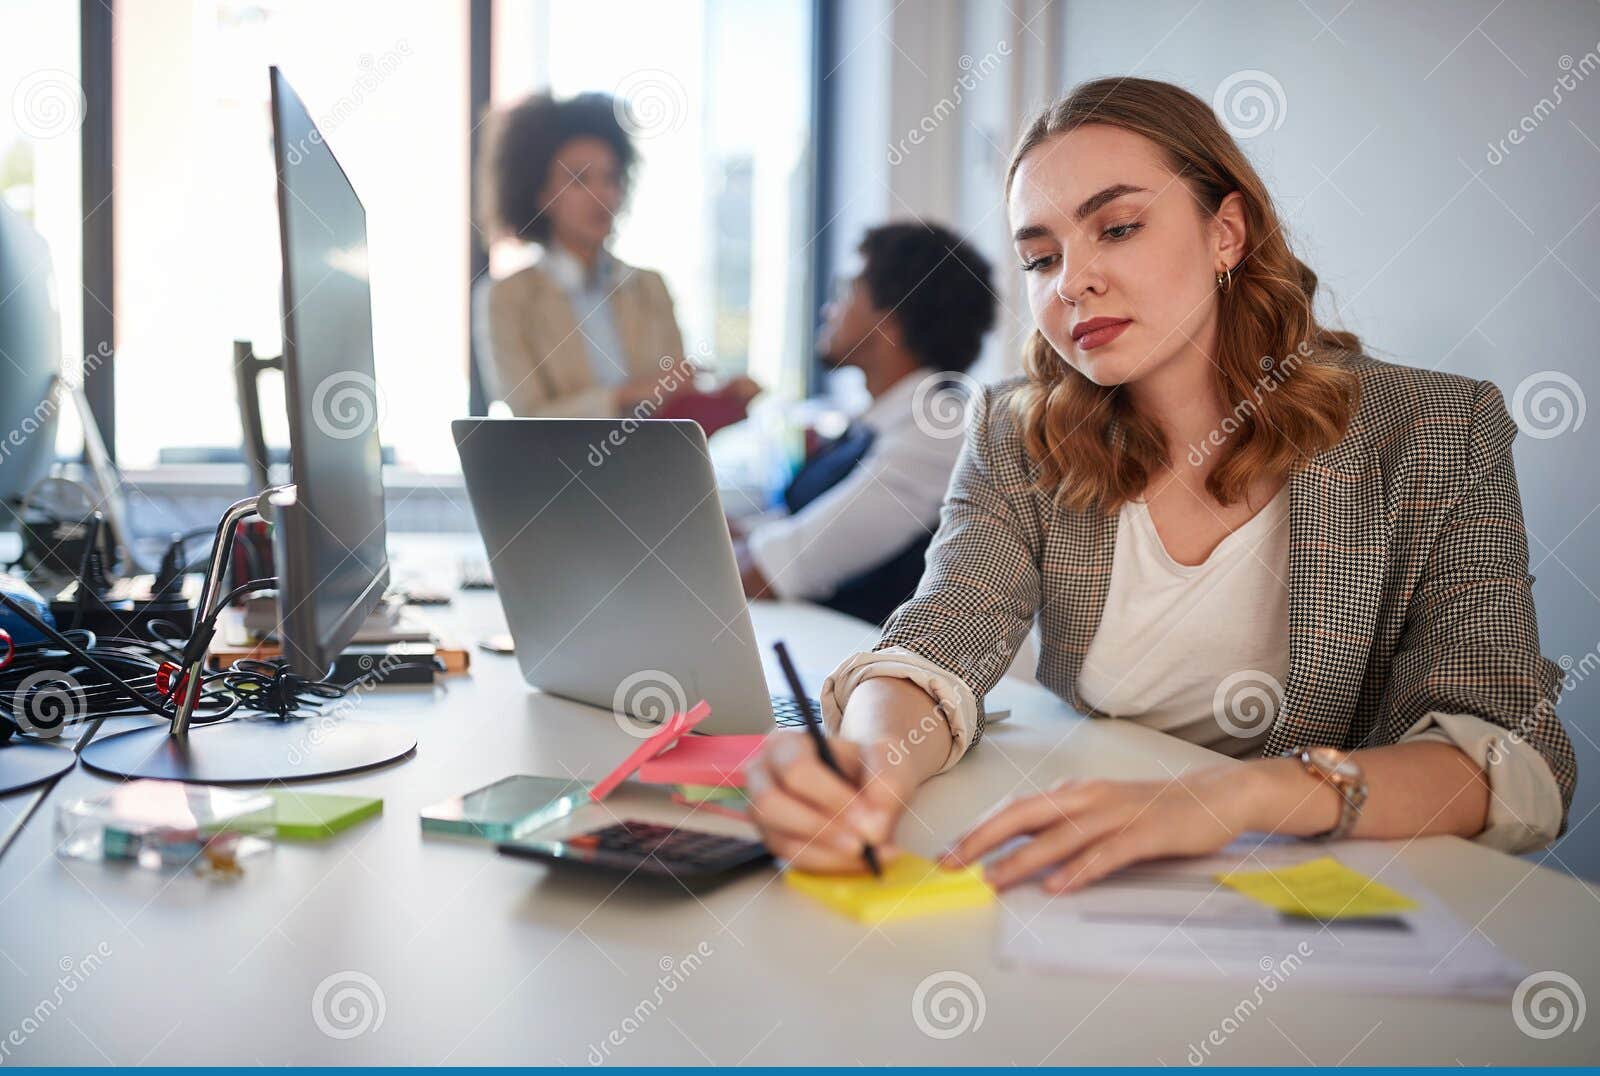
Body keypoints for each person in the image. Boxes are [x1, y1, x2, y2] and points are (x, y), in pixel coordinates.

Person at [744, 76, 1577, 887]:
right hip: (1095, 881)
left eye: (1118, 227)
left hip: (1337, 894)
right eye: (1041, 257)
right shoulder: (1017, 429)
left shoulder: (1435, 431)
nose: (1072, 281)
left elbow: (1511, 756)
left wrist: (1233, 797)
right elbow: (939, 636)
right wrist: (868, 763)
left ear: (1227, 232)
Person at [733, 222, 997, 625]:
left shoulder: (938, 431)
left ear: (890, 321)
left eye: (847, 291)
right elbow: (787, 532)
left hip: (869, 676)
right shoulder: (877, 422)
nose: (829, 309)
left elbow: (779, 570)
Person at [474, 91, 758, 424]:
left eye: (610, 178)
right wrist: (628, 394)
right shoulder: (506, 298)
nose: (602, 195)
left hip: (654, 469)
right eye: (579, 179)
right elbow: (529, 416)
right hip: (557, 474)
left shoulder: (650, 287)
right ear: (542, 195)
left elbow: (674, 406)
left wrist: (721, 395)